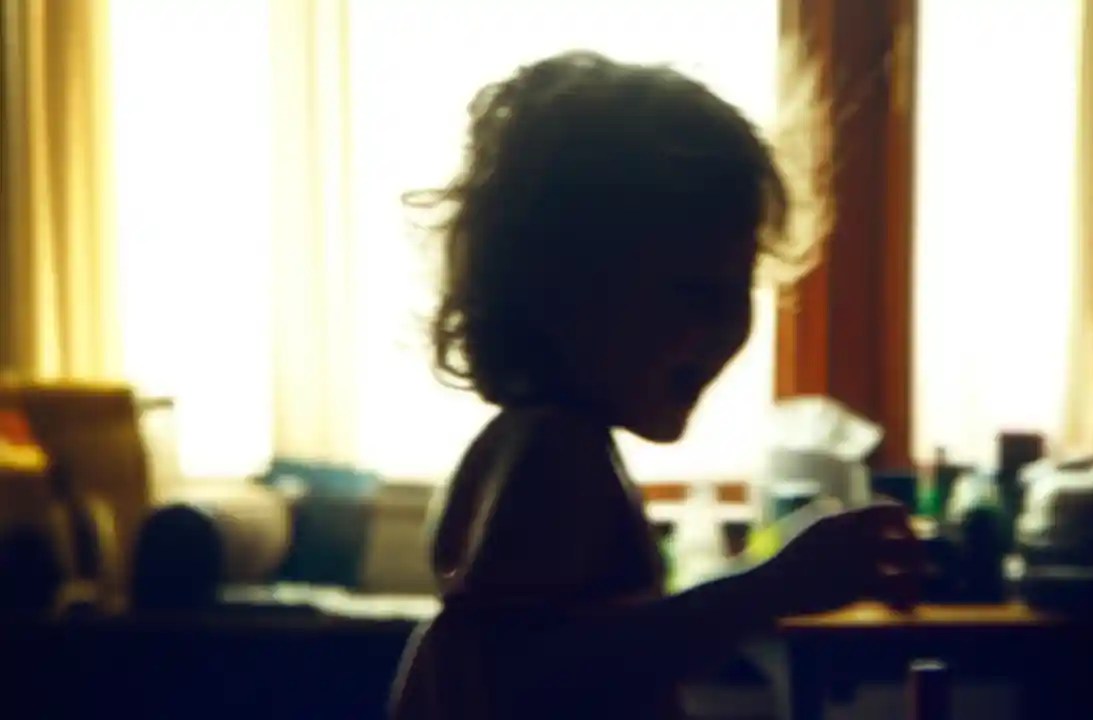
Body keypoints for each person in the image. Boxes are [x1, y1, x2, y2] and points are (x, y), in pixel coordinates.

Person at [390, 51, 924, 720]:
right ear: (559, 289)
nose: (724, 326)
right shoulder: (552, 454)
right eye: (693, 293)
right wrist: (774, 587)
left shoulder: (555, 440)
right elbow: (548, 675)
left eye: (738, 292)